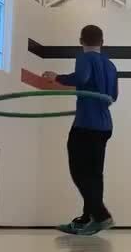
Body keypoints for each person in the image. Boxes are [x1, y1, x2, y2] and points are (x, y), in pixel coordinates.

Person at [43, 25, 118, 236]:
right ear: (102, 42)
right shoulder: (111, 66)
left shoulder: (84, 58)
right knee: (95, 174)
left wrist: (58, 77)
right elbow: (113, 97)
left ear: (81, 41)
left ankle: (101, 215)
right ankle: (87, 219)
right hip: (105, 126)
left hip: (85, 124)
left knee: (78, 171)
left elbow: (82, 78)